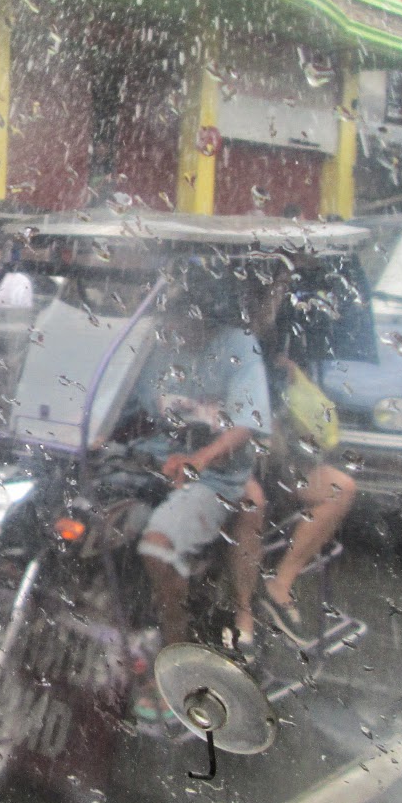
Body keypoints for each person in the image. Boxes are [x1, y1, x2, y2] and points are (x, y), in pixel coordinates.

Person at [129, 285, 268, 723]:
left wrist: (199, 459)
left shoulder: (237, 348)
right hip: (151, 461)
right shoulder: (155, 346)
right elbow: (126, 400)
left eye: (182, 316)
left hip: (214, 472)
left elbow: (249, 422)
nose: (174, 326)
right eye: (168, 315)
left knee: (157, 545)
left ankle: (175, 663)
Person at [230, 270, 357, 651]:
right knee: (251, 501)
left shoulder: (278, 341)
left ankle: (280, 585)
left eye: (277, 294)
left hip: (275, 458)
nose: (270, 303)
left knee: (341, 488)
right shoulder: (229, 341)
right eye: (263, 295)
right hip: (232, 457)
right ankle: (242, 610)